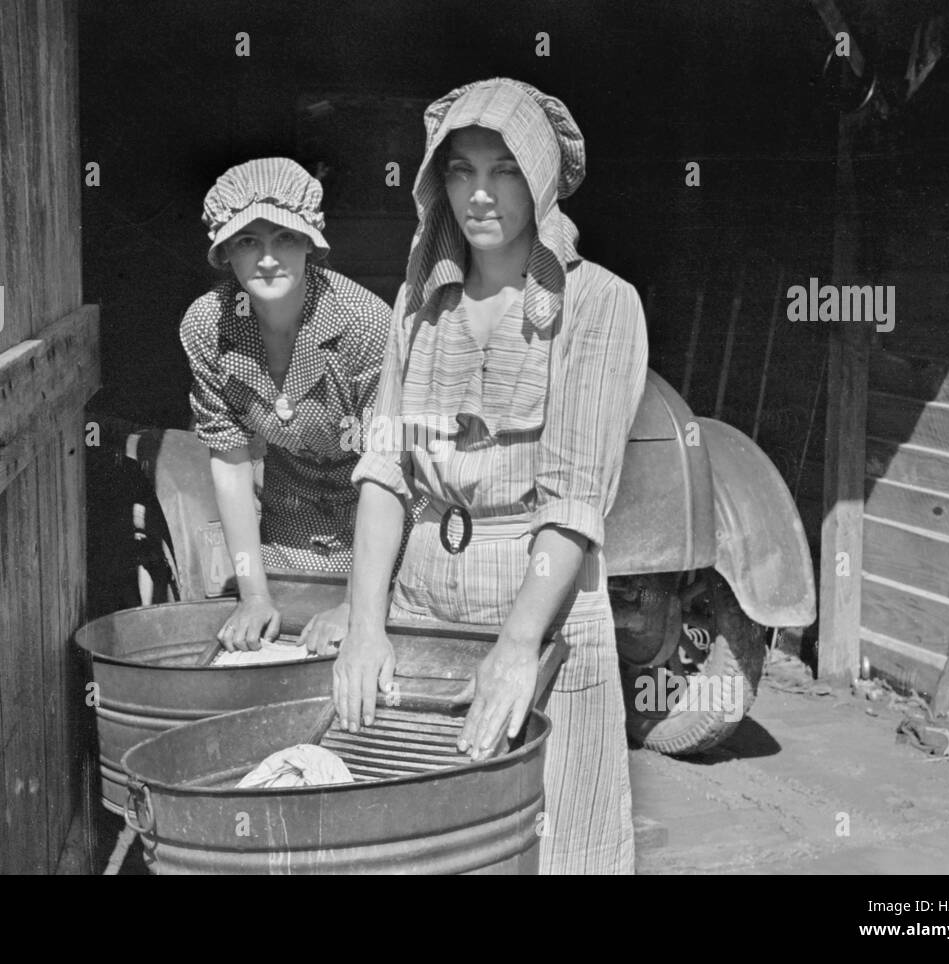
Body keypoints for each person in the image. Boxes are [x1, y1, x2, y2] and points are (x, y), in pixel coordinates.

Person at [337, 79, 648, 874]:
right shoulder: (417, 302)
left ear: (541, 179)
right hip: (421, 614)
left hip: (539, 616)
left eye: (504, 169)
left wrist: (516, 646)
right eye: (460, 170)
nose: (480, 194)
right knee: (423, 842)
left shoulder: (597, 305)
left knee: (549, 846)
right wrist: (366, 624)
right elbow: (383, 471)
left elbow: (574, 502)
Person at [180, 158, 390, 653]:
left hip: (382, 523)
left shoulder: (363, 322)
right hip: (288, 521)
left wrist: (357, 607)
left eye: (285, 239)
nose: (268, 258)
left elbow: (389, 468)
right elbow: (229, 463)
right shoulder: (207, 326)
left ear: (311, 245)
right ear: (225, 252)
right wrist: (253, 593)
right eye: (248, 241)